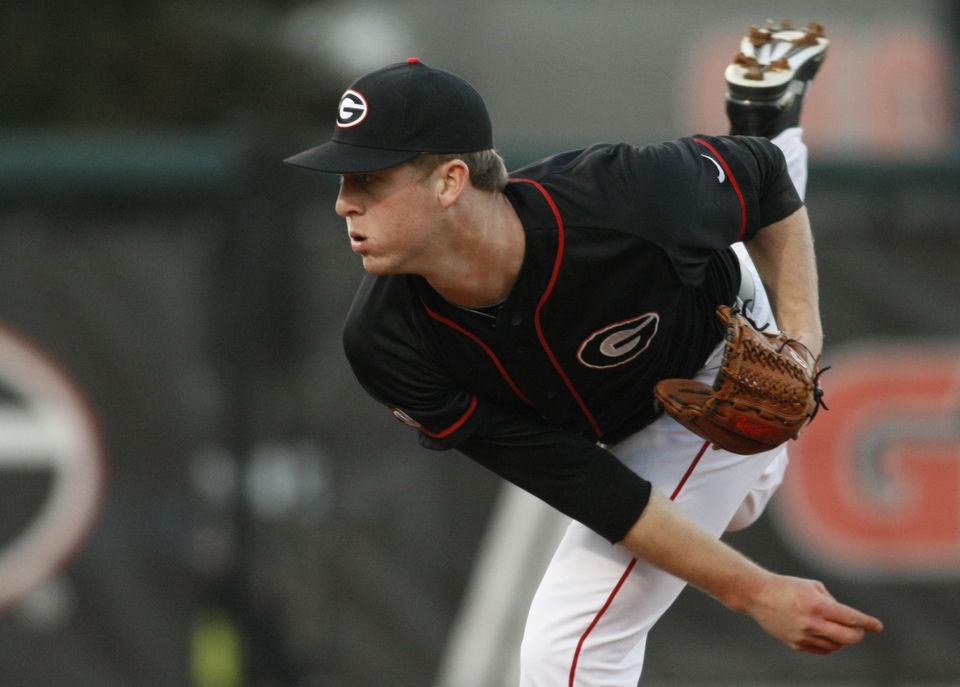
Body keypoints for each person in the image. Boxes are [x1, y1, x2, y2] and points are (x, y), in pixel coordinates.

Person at [285, 20, 883, 686]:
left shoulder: (624, 198)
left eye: (367, 179)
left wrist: (799, 343)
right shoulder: (386, 342)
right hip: (598, 430)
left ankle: (762, 123)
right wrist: (756, 588)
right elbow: (586, 484)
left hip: (712, 352)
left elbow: (766, 183)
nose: (343, 204)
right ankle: (763, 110)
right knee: (740, 505)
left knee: (569, 648)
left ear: (450, 181)